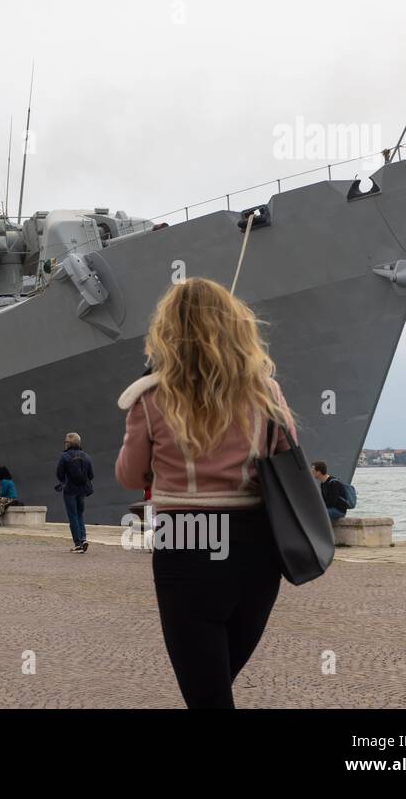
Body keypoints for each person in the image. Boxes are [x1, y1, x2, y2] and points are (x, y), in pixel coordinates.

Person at [114, 277, 298, 710]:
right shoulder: (265, 390)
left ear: (167, 331)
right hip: (257, 541)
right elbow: (288, 453)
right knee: (217, 685)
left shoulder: (152, 396)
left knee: (207, 693)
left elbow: (128, 475)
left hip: (186, 537)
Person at [55, 433, 94, 552]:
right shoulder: (86, 456)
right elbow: (91, 475)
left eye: (65, 442)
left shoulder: (65, 456)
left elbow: (59, 474)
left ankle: (78, 543)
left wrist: (65, 480)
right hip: (82, 491)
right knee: (80, 515)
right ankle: (83, 539)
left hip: (70, 490)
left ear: (68, 444)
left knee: (72, 516)